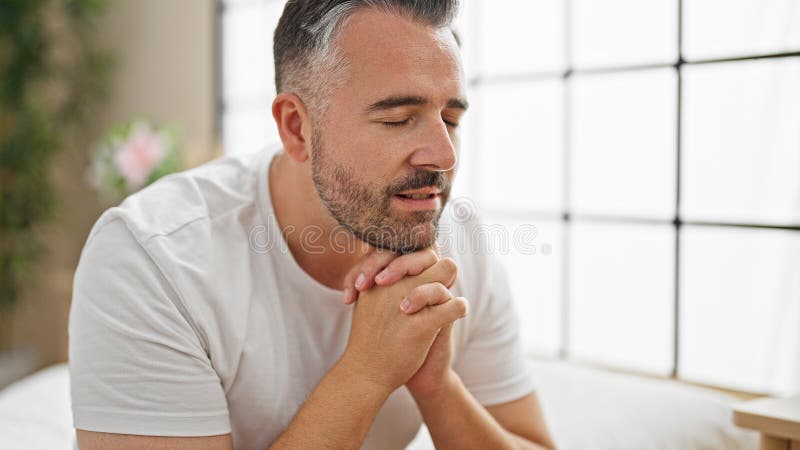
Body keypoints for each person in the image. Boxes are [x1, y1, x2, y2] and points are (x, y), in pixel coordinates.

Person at [68, 1, 557, 449]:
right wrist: (365, 374)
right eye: (399, 119)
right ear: (297, 128)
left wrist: (438, 388)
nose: (443, 156)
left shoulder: (459, 240)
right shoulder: (151, 257)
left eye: (450, 118)